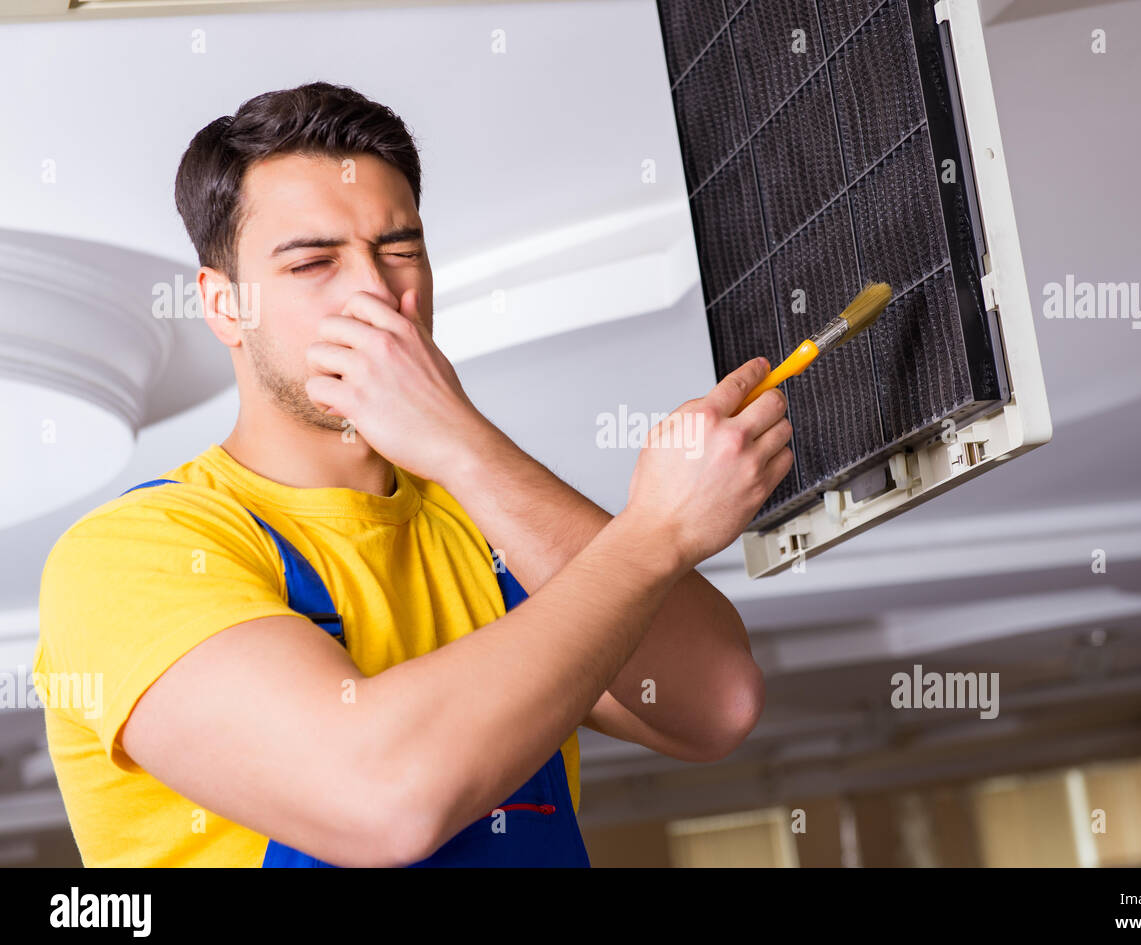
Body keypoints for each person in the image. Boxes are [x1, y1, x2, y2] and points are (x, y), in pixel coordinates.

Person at [32, 81, 795, 867]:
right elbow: (380, 799)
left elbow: (716, 703)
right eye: (313, 263)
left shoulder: (484, 516)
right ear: (225, 306)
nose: (375, 291)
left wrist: (461, 445)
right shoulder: (131, 554)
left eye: (398, 249)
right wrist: (656, 532)